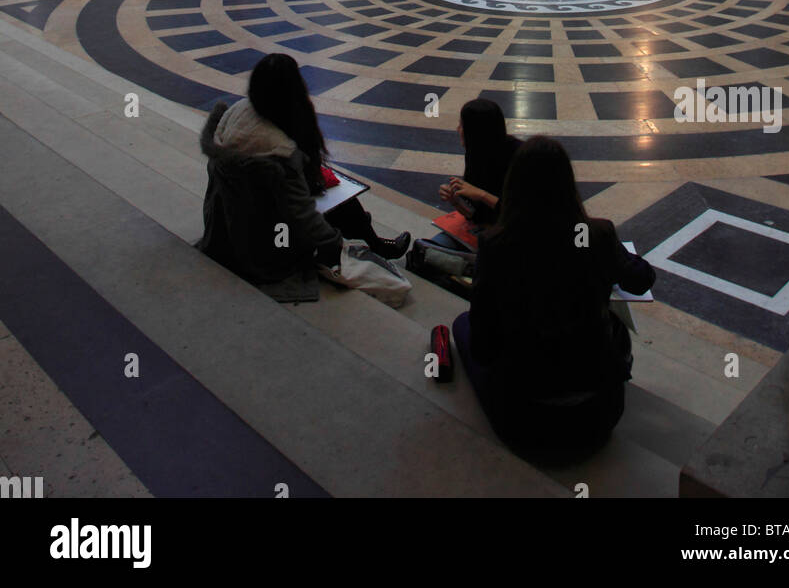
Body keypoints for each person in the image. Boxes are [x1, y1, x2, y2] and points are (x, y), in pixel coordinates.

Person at [452, 135, 656, 454]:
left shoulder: (497, 246)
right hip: (600, 416)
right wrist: (618, 256)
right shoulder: (596, 234)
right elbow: (642, 280)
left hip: (524, 423)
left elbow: (483, 345)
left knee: (462, 325)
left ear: (513, 186)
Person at [197, 54, 410, 294]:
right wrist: (333, 243)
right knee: (341, 201)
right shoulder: (279, 150)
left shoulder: (237, 110)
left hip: (225, 223)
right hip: (269, 241)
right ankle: (375, 244)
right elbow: (301, 214)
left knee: (329, 193)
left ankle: (375, 242)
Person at [439, 98, 521, 228]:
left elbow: (521, 214)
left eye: (462, 125)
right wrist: (456, 201)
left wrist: (482, 195)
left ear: (474, 132)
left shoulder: (521, 158)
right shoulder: (475, 154)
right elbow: (475, 214)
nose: (457, 129)